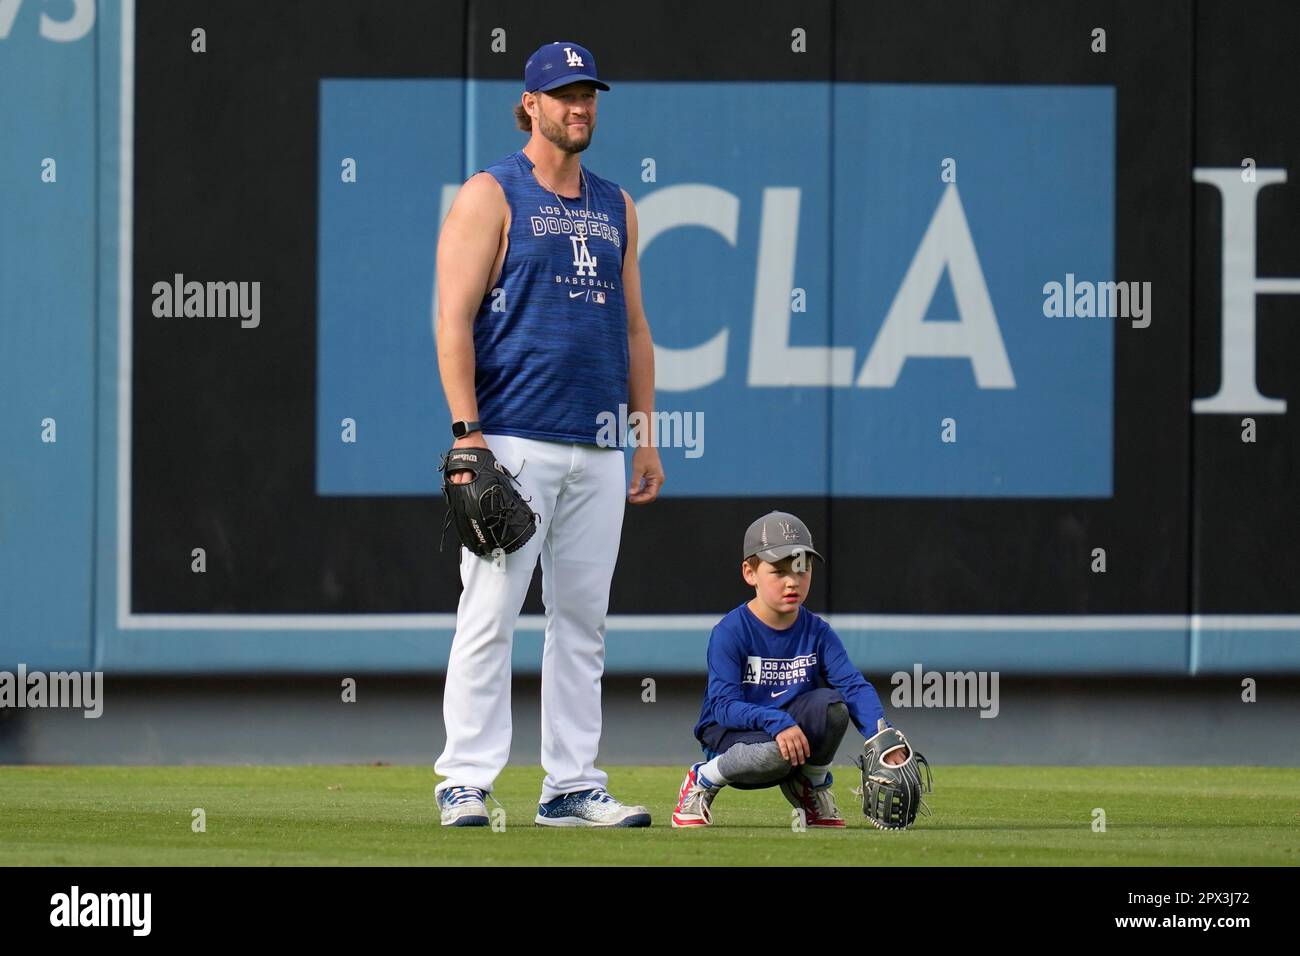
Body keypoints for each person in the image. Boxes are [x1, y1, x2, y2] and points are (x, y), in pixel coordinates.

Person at [432, 40, 664, 827]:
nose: (580, 106)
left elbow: (634, 331)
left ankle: (570, 785)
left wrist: (646, 436)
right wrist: (469, 434)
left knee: (582, 624)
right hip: (515, 440)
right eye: (564, 94)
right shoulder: (491, 195)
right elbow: (452, 319)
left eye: (588, 93)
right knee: (491, 612)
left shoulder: (617, 204)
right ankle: (464, 777)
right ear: (530, 103)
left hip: (599, 445)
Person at [672, 511, 908, 828]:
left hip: (788, 727)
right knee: (775, 754)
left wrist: (882, 736)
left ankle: (809, 786)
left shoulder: (818, 632)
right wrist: (778, 722)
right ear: (749, 572)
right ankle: (703, 778)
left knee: (834, 709)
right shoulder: (731, 631)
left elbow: (853, 687)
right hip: (733, 734)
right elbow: (724, 706)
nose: (792, 581)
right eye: (779, 571)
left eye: (801, 569)